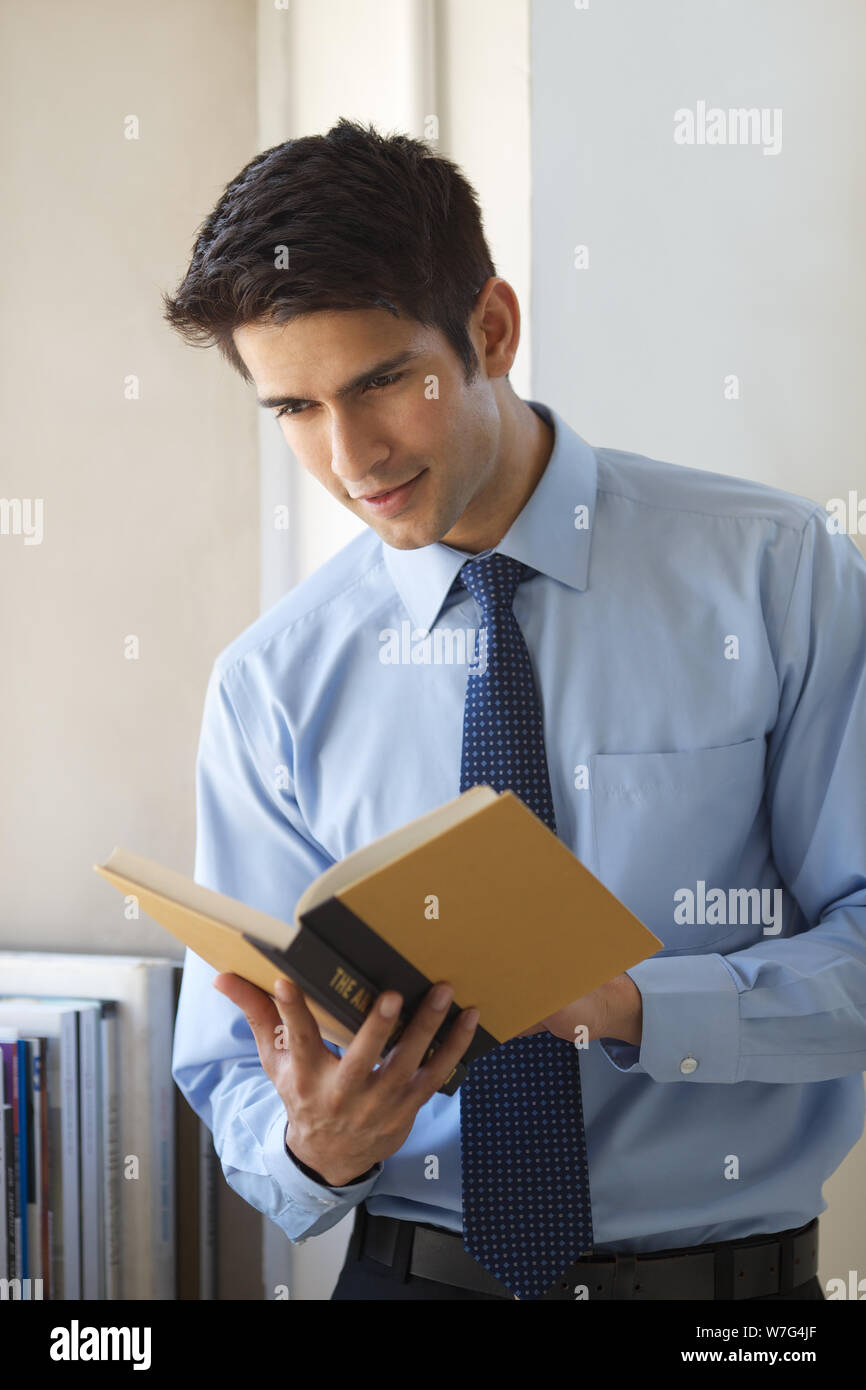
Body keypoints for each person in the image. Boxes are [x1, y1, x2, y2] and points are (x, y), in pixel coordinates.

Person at [166, 119, 866, 1300]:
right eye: (293, 410)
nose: (349, 458)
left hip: (726, 1298)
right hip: (407, 1276)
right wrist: (311, 1149)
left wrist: (636, 1006)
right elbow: (233, 1065)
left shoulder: (774, 573)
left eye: (382, 382)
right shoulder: (270, 681)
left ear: (489, 329)